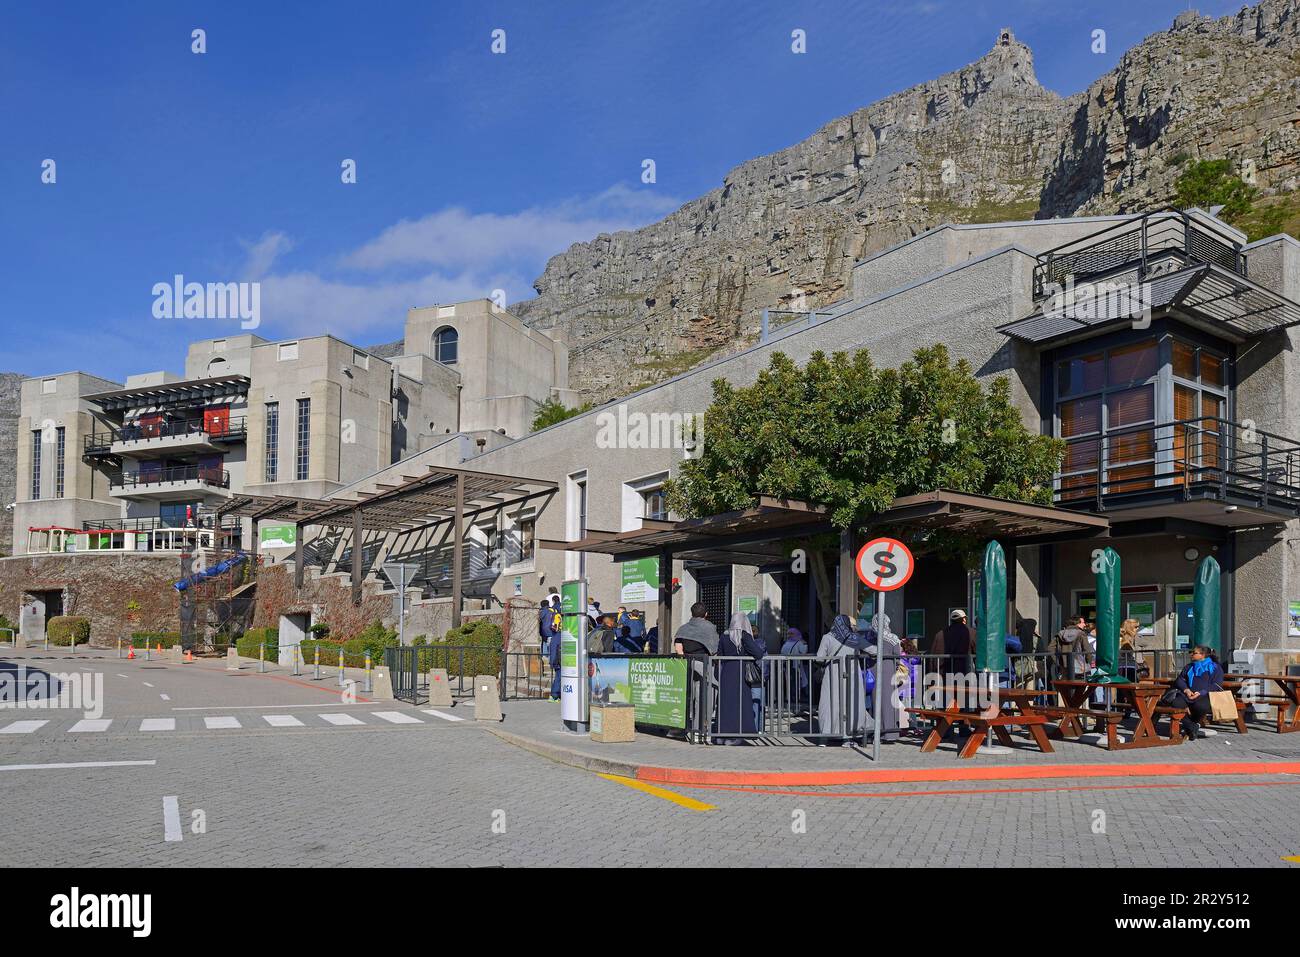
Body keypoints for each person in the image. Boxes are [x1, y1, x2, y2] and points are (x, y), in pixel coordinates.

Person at [816, 615, 869, 746]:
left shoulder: (827, 637)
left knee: (829, 704)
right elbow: (873, 650)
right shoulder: (854, 638)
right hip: (852, 677)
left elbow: (819, 658)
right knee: (850, 704)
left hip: (832, 676)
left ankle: (825, 736)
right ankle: (847, 737)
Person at [716, 611, 766, 743]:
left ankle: (722, 734)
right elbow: (758, 653)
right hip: (740, 673)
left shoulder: (724, 636)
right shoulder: (745, 636)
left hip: (727, 672)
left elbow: (720, 654)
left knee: (726, 703)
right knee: (740, 704)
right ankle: (736, 735)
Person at [674, 603, 719, 739]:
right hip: (704, 665)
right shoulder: (710, 627)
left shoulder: (683, 628)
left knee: (690, 697)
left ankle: (688, 728)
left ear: (691, 613)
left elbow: (678, 648)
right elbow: (714, 649)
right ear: (706, 614)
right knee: (707, 697)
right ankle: (701, 729)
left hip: (687, 665)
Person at [1170, 645, 1225, 741]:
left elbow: (1217, 684)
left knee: (1201, 706)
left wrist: (1201, 692)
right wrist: (1186, 690)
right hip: (1188, 695)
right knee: (1175, 703)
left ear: (1203, 655)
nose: (1191, 654)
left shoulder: (1215, 668)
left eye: (1194, 652)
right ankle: (1192, 726)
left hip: (1205, 695)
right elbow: (1180, 680)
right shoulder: (1189, 667)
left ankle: (1191, 726)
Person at [780, 626, 810, 709]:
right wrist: (805, 643)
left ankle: (789, 697)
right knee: (795, 681)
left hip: (787, 665)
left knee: (790, 681)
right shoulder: (799, 642)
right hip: (794, 665)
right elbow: (803, 652)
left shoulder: (786, 643)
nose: (789, 635)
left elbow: (782, 652)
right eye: (789, 633)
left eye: (791, 633)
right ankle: (795, 697)